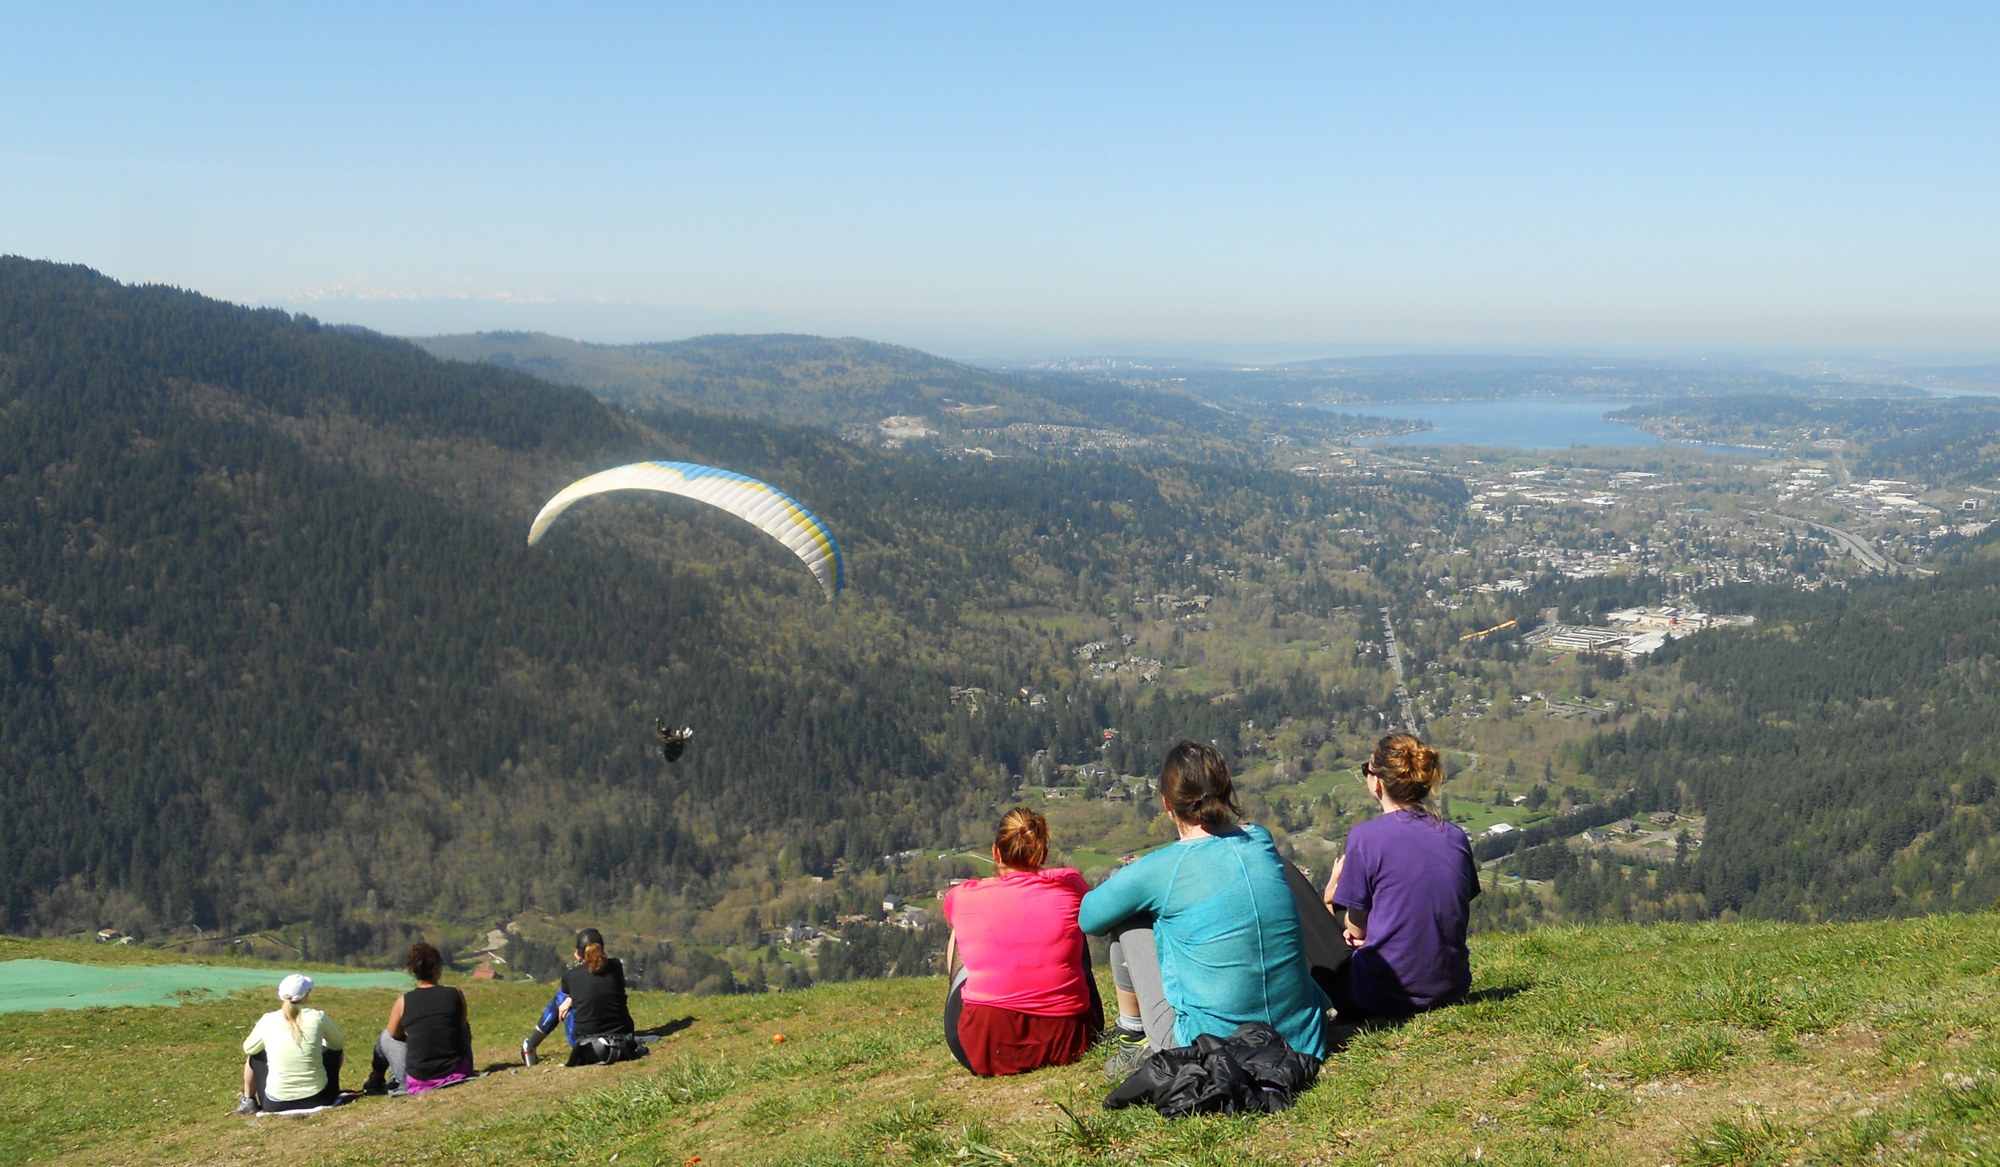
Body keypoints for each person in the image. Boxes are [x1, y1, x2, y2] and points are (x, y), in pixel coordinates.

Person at [1078, 741, 1330, 1076]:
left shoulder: (1162, 869)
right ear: (1227, 793)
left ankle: (1133, 1038)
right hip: (1303, 1039)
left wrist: (1135, 884)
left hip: (1212, 1051)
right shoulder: (1261, 840)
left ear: (1168, 804)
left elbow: (1089, 917)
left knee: (1129, 919)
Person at [1321, 732, 1480, 1020]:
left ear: (1377, 782)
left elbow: (1357, 931)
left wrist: (1331, 894)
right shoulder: (1455, 836)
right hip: (1451, 987)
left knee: (1310, 911)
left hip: (1381, 995)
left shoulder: (1365, 837)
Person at [939, 807, 1102, 1076]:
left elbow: (957, 914)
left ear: (995, 852)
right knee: (1074, 924)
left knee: (960, 932)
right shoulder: (1070, 885)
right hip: (1070, 1040)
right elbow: (1071, 886)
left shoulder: (963, 896)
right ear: (1043, 854)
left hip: (984, 1046)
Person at [521, 927, 644, 1066]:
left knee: (560, 997)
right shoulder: (616, 967)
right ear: (602, 949)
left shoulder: (571, 976)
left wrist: (570, 999)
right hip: (624, 1042)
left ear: (578, 954)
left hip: (588, 1048)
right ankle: (530, 1045)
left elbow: (585, 986)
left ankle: (530, 1045)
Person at [363, 942, 473, 1095]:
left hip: (420, 1080)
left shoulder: (403, 1002)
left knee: (385, 1037)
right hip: (458, 1071)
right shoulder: (456, 994)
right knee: (463, 1025)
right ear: (437, 969)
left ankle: (376, 1078)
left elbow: (394, 1034)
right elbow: (460, 1026)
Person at [236, 973, 345, 1115]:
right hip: (319, 1098)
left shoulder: (268, 1019)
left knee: (255, 1054)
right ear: (306, 995)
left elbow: (248, 1048)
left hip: (275, 1104)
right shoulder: (318, 1017)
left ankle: (248, 1099)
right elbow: (338, 1044)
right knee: (334, 1050)